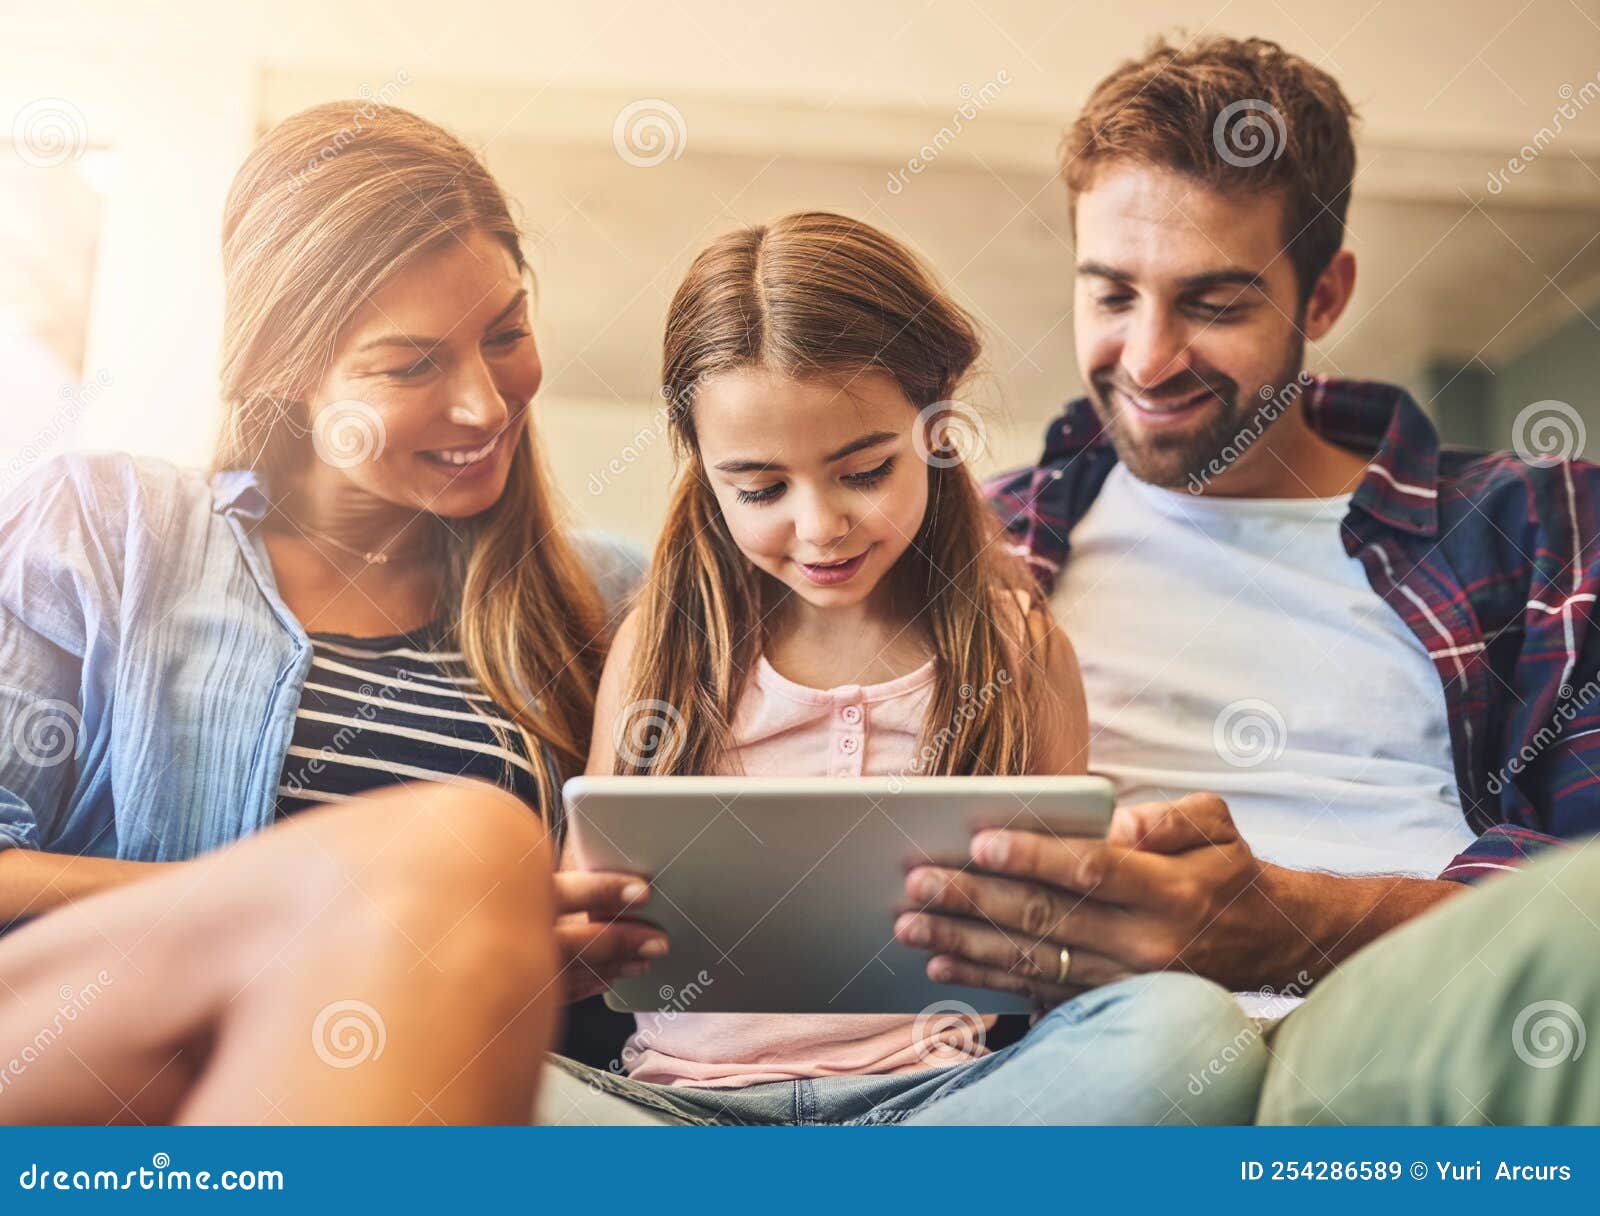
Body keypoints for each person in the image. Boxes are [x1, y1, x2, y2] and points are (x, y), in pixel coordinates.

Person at [892, 36, 1600, 1121]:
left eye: (1214, 304)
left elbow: (1577, 893)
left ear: (1324, 297)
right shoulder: (968, 538)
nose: (1147, 358)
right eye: (1112, 294)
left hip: (1396, 1030)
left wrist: (1292, 919)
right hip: (1075, 1057)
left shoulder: (1543, 527)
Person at [538, 210, 1267, 1126]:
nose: (819, 527)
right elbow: (594, 913)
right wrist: (577, 932)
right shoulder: (661, 641)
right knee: (447, 1068)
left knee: (1192, 1035)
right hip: (676, 1113)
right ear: (705, 469)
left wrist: (1066, 931)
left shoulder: (1018, 648)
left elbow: (1069, 956)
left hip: (936, 1102)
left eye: (865, 470)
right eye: (760, 490)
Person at [0, 104, 657, 1040]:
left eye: (505, 334)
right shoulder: (106, 534)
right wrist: (344, 912)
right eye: (411, 365)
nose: (483, 403)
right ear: (281, 368)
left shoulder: (610, 598)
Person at [0, 781, 559, 1125]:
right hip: (78, 1013)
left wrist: (509, 944)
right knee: (461, 835)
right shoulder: (86, 590)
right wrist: (317, 899)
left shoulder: (543, 643)